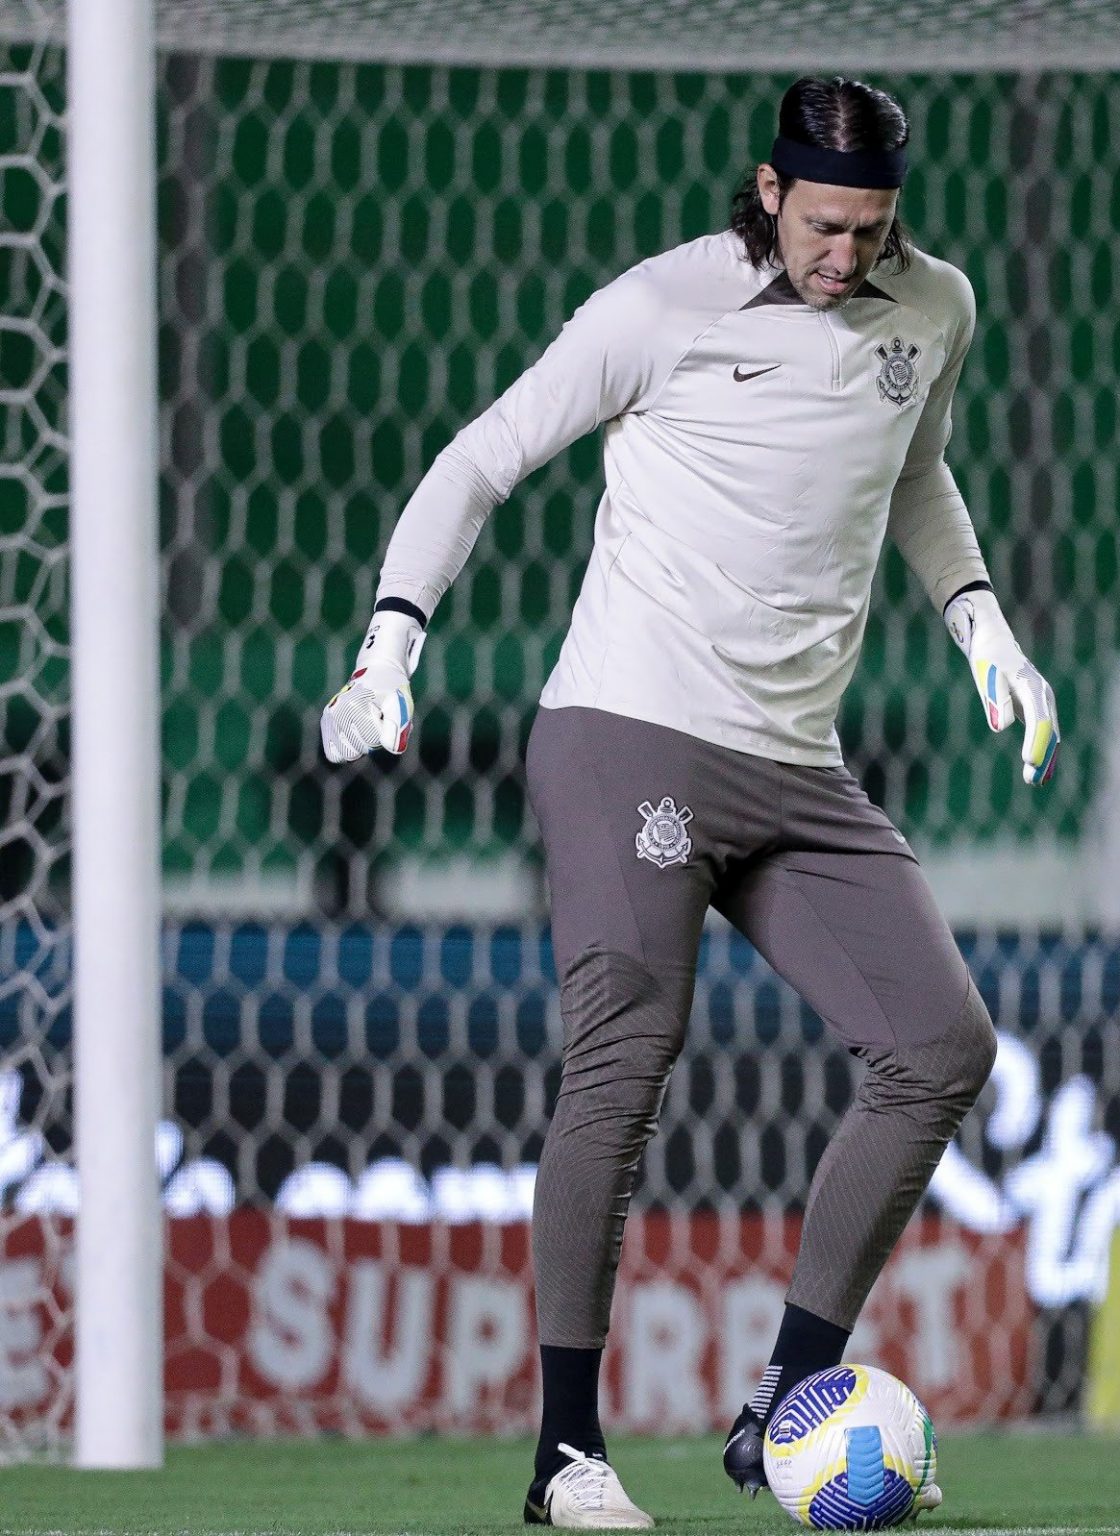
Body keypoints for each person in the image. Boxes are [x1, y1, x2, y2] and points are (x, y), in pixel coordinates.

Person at [321, 74, 1059, 1529]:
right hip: (630, 734)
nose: (846, 256)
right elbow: (482, 459)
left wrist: (982, 624)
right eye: (824, 225)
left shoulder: (935, 309)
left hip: (797, 760)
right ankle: (566, 1457)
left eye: (873, 229)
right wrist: (390, 637)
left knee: (937, 1046)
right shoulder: (656, 311)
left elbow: (916, 475)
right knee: (626, 1058)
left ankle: (782, 1400)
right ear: (769, 189)